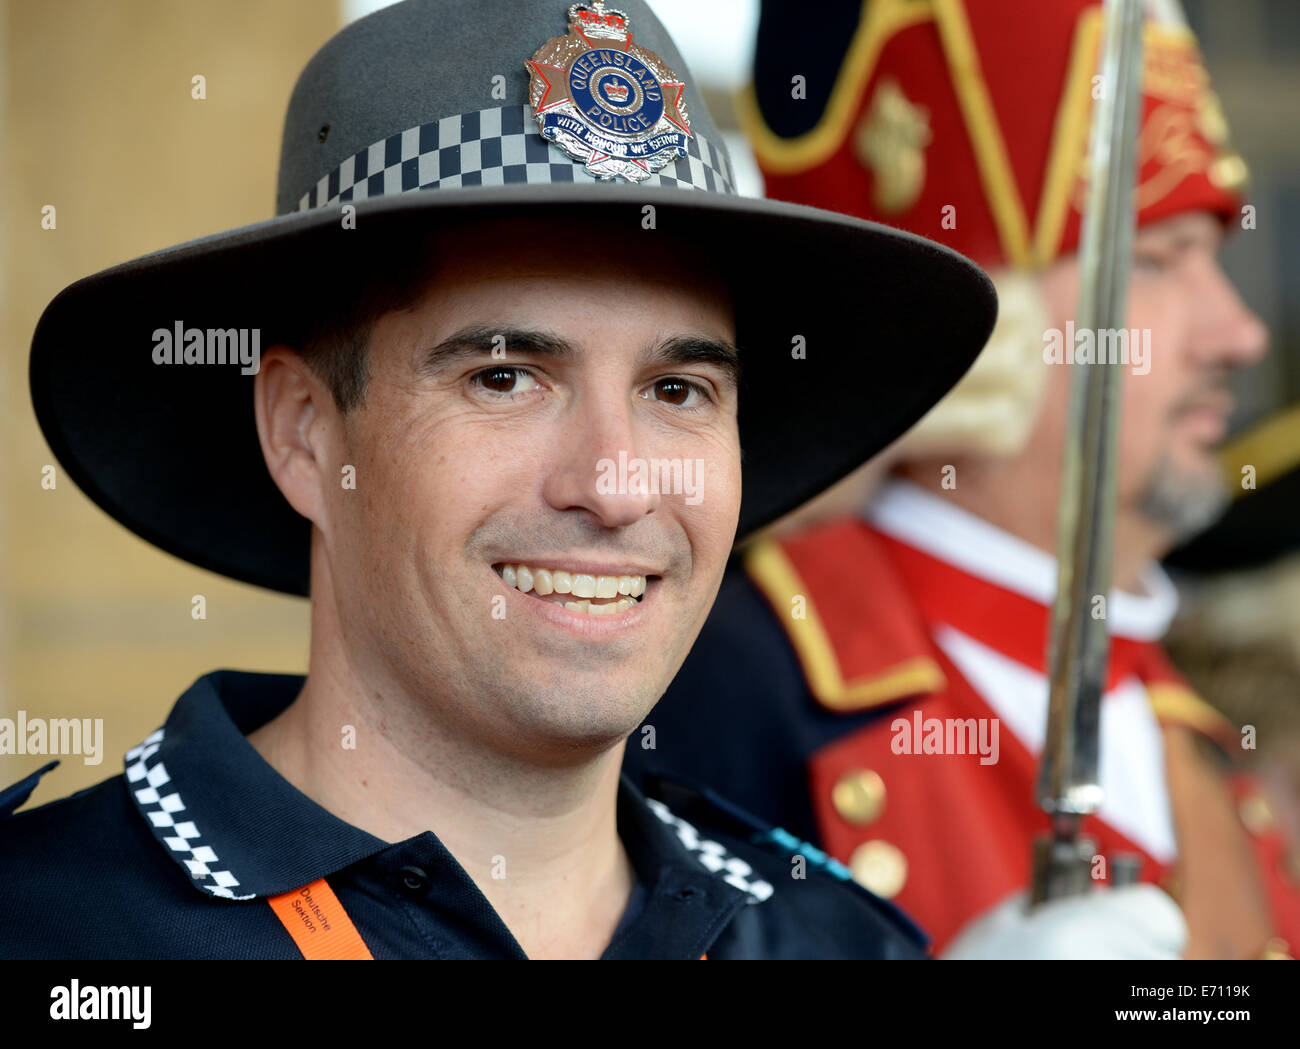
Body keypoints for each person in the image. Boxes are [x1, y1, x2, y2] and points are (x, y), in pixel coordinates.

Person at [0, 0, 1001, 960]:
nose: (613, 488)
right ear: (305, 435)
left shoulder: (832, 942)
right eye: (506, 377)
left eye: (678, 388)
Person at [625, 0, 1298, 959]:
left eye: (1215, 262)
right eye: (1155, 263)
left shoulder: (1181, 712)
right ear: (983, 337)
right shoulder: (732, 677)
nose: (1241, 332)